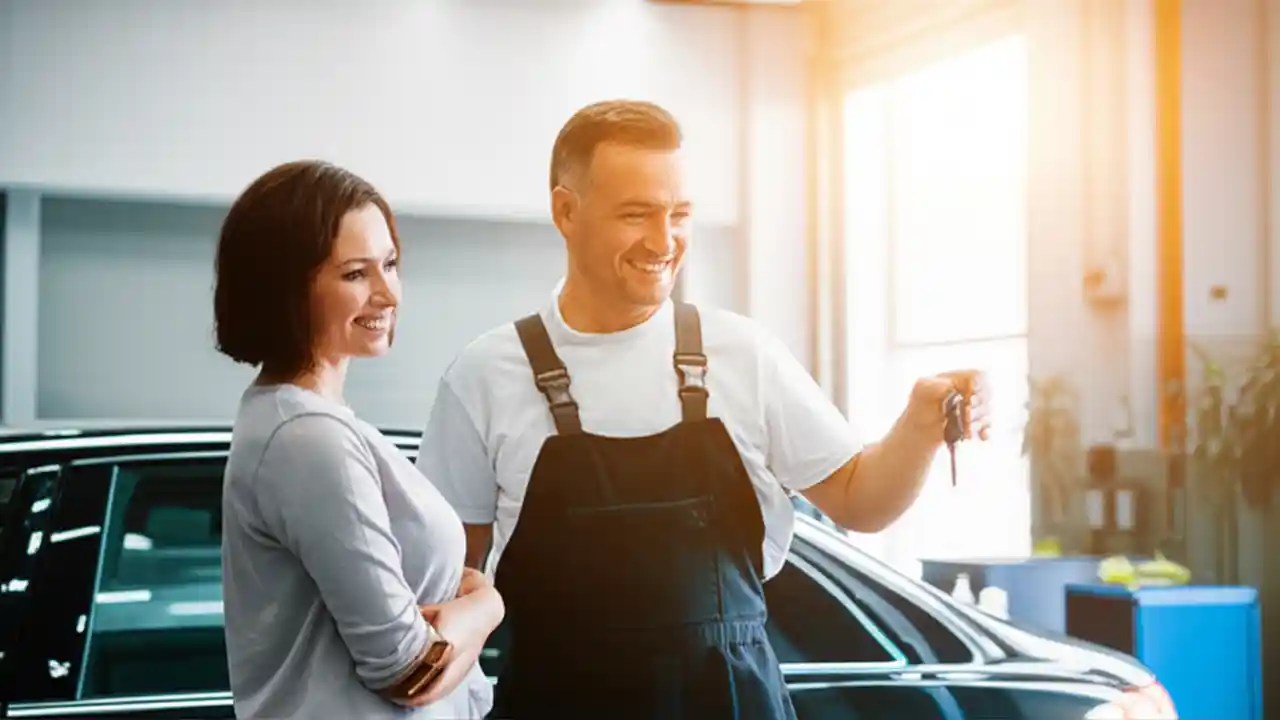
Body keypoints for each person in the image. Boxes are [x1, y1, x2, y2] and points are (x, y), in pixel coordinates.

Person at [416, 100, 991, 719]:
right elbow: (443, 580)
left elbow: (860, 499)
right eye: (636, 214)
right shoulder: (485, 376)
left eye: (680, 214)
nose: (664, 241)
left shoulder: (743, 355)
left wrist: (920, 424)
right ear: (566, 211)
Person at [215, 160, 503, 719]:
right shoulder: (307, 438)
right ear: (287, 288)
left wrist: (460, 601)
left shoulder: (303, 422)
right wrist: (487, 606)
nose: (387, 293)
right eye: (355, 274)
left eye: (389, 265)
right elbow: (408, 669)